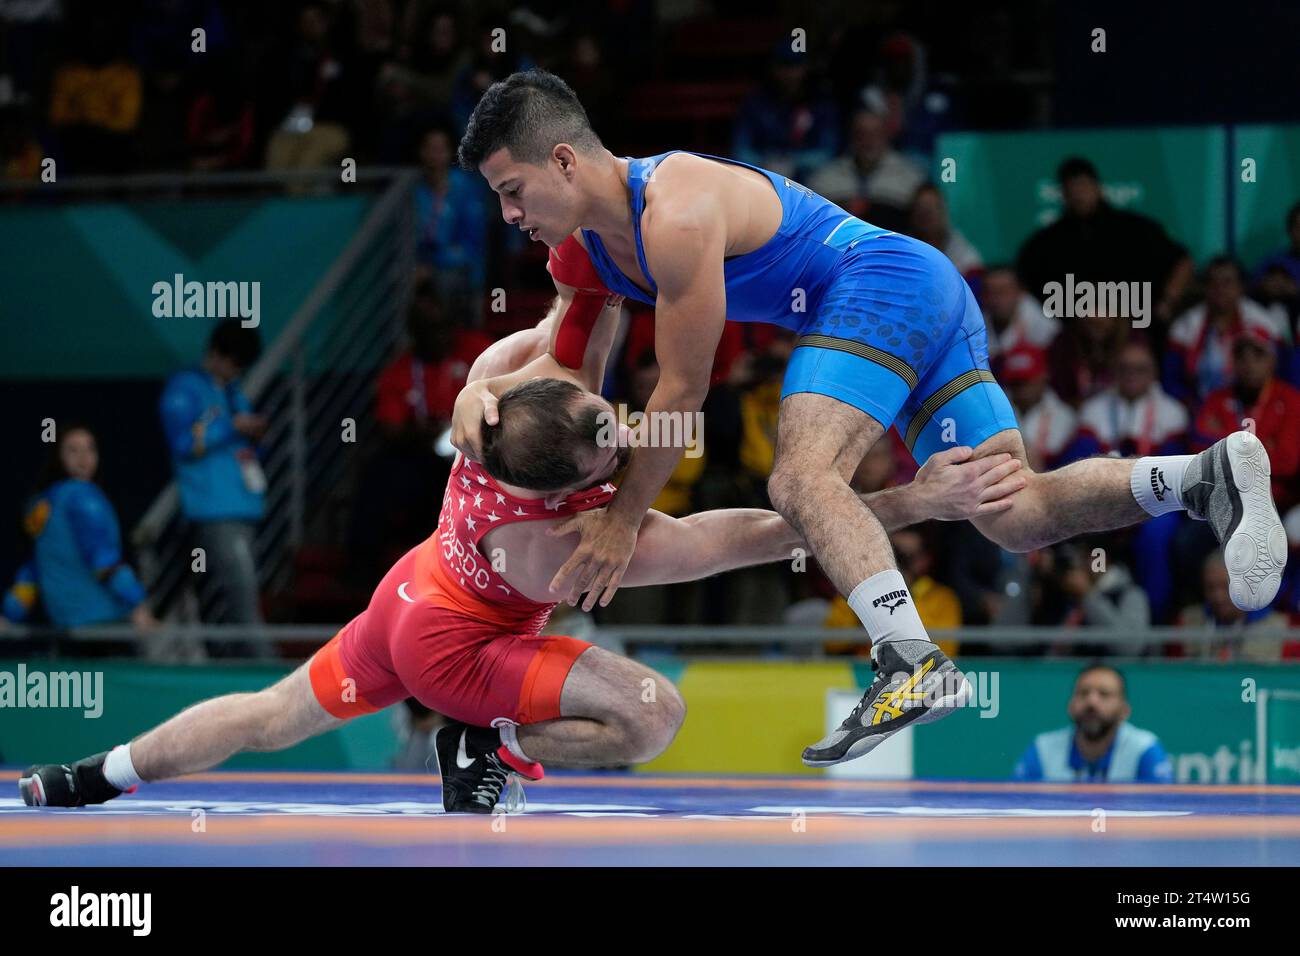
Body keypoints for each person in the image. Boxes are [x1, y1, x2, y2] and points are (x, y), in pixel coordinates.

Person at [451, 70, 1288, 768]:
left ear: (563, 160)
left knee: (800, 478)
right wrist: (472, 394)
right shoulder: (578, 253)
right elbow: (567, 373)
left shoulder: (675, 211)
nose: (509, 217)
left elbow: (681, 394)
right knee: (1013, 513)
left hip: (875, 283)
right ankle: (1203, 474)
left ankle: (909, 662)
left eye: (512, 191)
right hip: (919, 296)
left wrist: (621, 523)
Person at [19, 301, 1023, 814]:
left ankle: (93, 775)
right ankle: (488, 742)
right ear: (563, 487)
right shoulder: (559, 544)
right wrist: (908, 499)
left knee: (274, 715)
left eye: (607, 419)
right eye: (608, 447)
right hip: (454, 647)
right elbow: (743, 538)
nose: (624, 435)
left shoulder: (509, 394)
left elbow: (569, 310)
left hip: (410, 588)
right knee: (651, 716)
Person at [158, 320, 267, 643]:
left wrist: (253, 432)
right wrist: (232, 427)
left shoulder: (233, 393)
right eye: (234, 363)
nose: (237, 371)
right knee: (241, 601)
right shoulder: (184, 390)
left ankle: (237, 678)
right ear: (216, 354)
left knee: (232, 601)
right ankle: (270, 676)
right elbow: (182, 443)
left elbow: (249, 446)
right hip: (215, 511)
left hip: (245, 507)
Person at [2, 424, 157, 634]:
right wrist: (137, 605)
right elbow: (103, 562)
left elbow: (33, 570)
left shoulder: (42, 504)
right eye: (73, 450)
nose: (83, 458)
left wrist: (9, 614)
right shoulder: (83, 498)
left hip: (64, 628)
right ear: (58, 456)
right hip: (103, 626)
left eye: (90, 449)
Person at [1013, 664, 1173, 783]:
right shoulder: (1043, 748)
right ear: (1070, 706)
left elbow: (1163, 812)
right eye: (1083, 693)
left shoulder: (1143, 748)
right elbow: (1017, 808)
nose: (1091, 702)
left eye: (1104, 694)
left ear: (1124, 710)